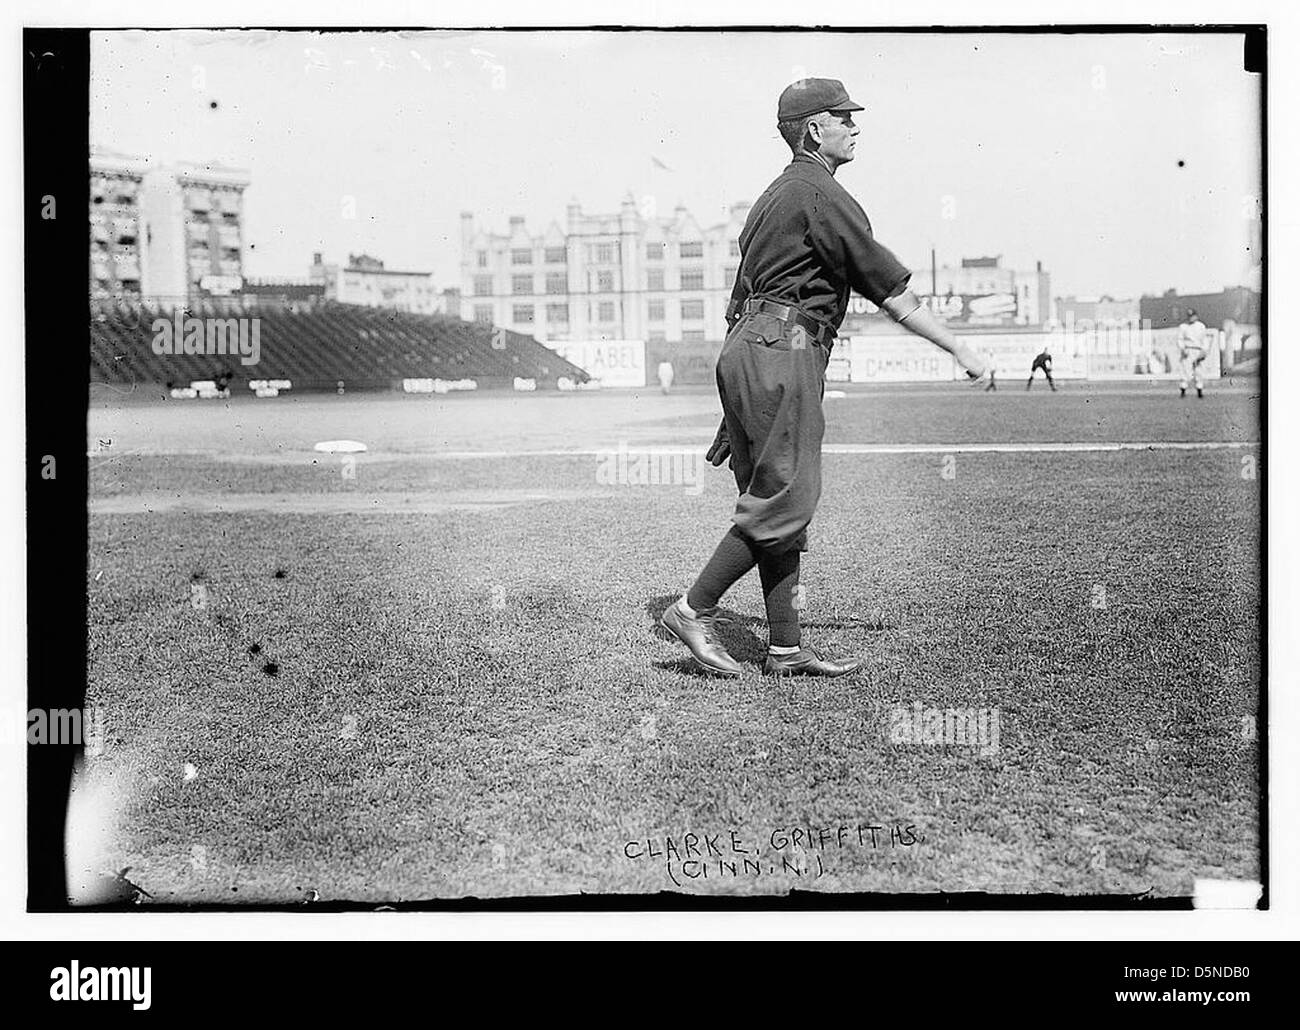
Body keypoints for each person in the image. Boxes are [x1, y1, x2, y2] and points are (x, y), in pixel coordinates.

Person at [659, 77, 990, 679]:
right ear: (816, 129)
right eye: (846, 117)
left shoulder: (773, 196)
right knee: (787, 498)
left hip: (752, 348)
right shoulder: (819, 191)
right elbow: (892, 292)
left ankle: (785, 646)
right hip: (782, 348)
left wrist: (741, 399)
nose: (856, 127)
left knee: (776, 496)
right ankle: (692, 609)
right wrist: (960, 349)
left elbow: (743, 303)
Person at [1178, 308, 1207, 398]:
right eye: (1189, 316)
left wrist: (1204, 351)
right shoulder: (1183, 326)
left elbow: (1204, 339)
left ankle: (1199, 391)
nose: (1190, 318)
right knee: (1185, 371)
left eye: (1192, 316)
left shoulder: (1201, 326)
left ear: (1196, 316)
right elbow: (1180, 339)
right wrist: (1183, 349)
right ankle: (1183, 391)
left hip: (1198, 349)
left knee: (1199, 371)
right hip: (1188, 350)